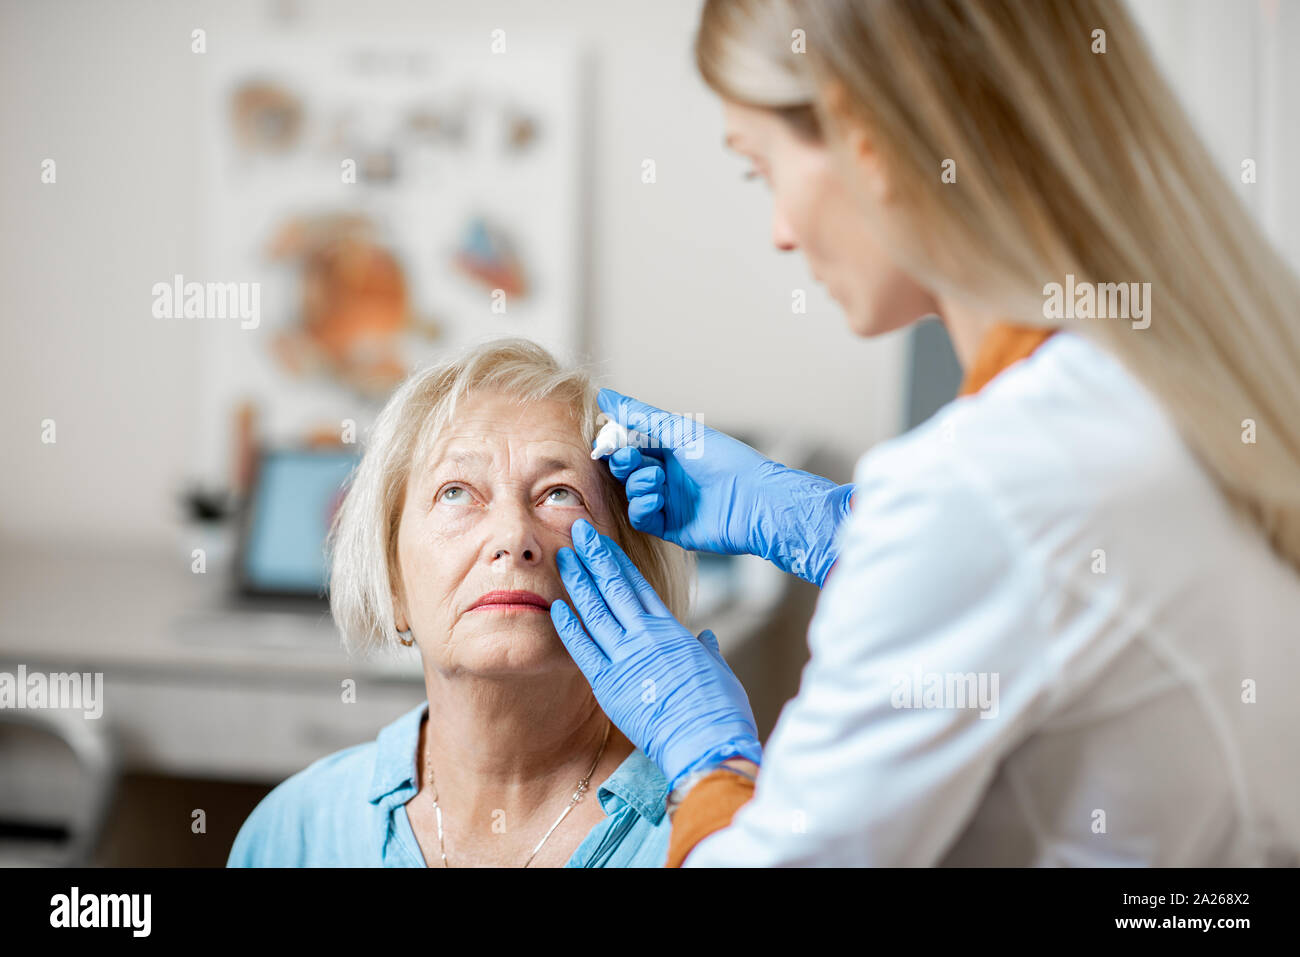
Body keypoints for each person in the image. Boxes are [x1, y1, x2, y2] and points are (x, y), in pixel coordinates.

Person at [549, 0, 1300, 866]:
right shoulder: (1169, 383)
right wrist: (830, 525)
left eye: (762, 170)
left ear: (866, 136)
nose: (782, 234)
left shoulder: (987, 486)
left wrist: (705, 758)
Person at [228, 338, 692, 867]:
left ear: (629, 567)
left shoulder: (710, 834)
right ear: (392, 581)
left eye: (559, 493)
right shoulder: (295, 833)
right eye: (456, 492)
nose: (514, 536)